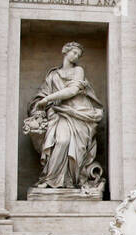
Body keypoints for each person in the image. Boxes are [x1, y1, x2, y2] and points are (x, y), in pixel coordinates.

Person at [28, 42, 104, 190]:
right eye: (74, 52)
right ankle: (50, 179)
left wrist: (47, 99)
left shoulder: (78, 71)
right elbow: (42, 94)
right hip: (58, 113)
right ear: (65, 51)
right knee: (62, 141)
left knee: (73, 146)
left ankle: (71, 181)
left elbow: (72, 91)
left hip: (79, 114)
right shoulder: (53, 75)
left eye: (78, 55)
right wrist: (39, 104)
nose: (76, 56)